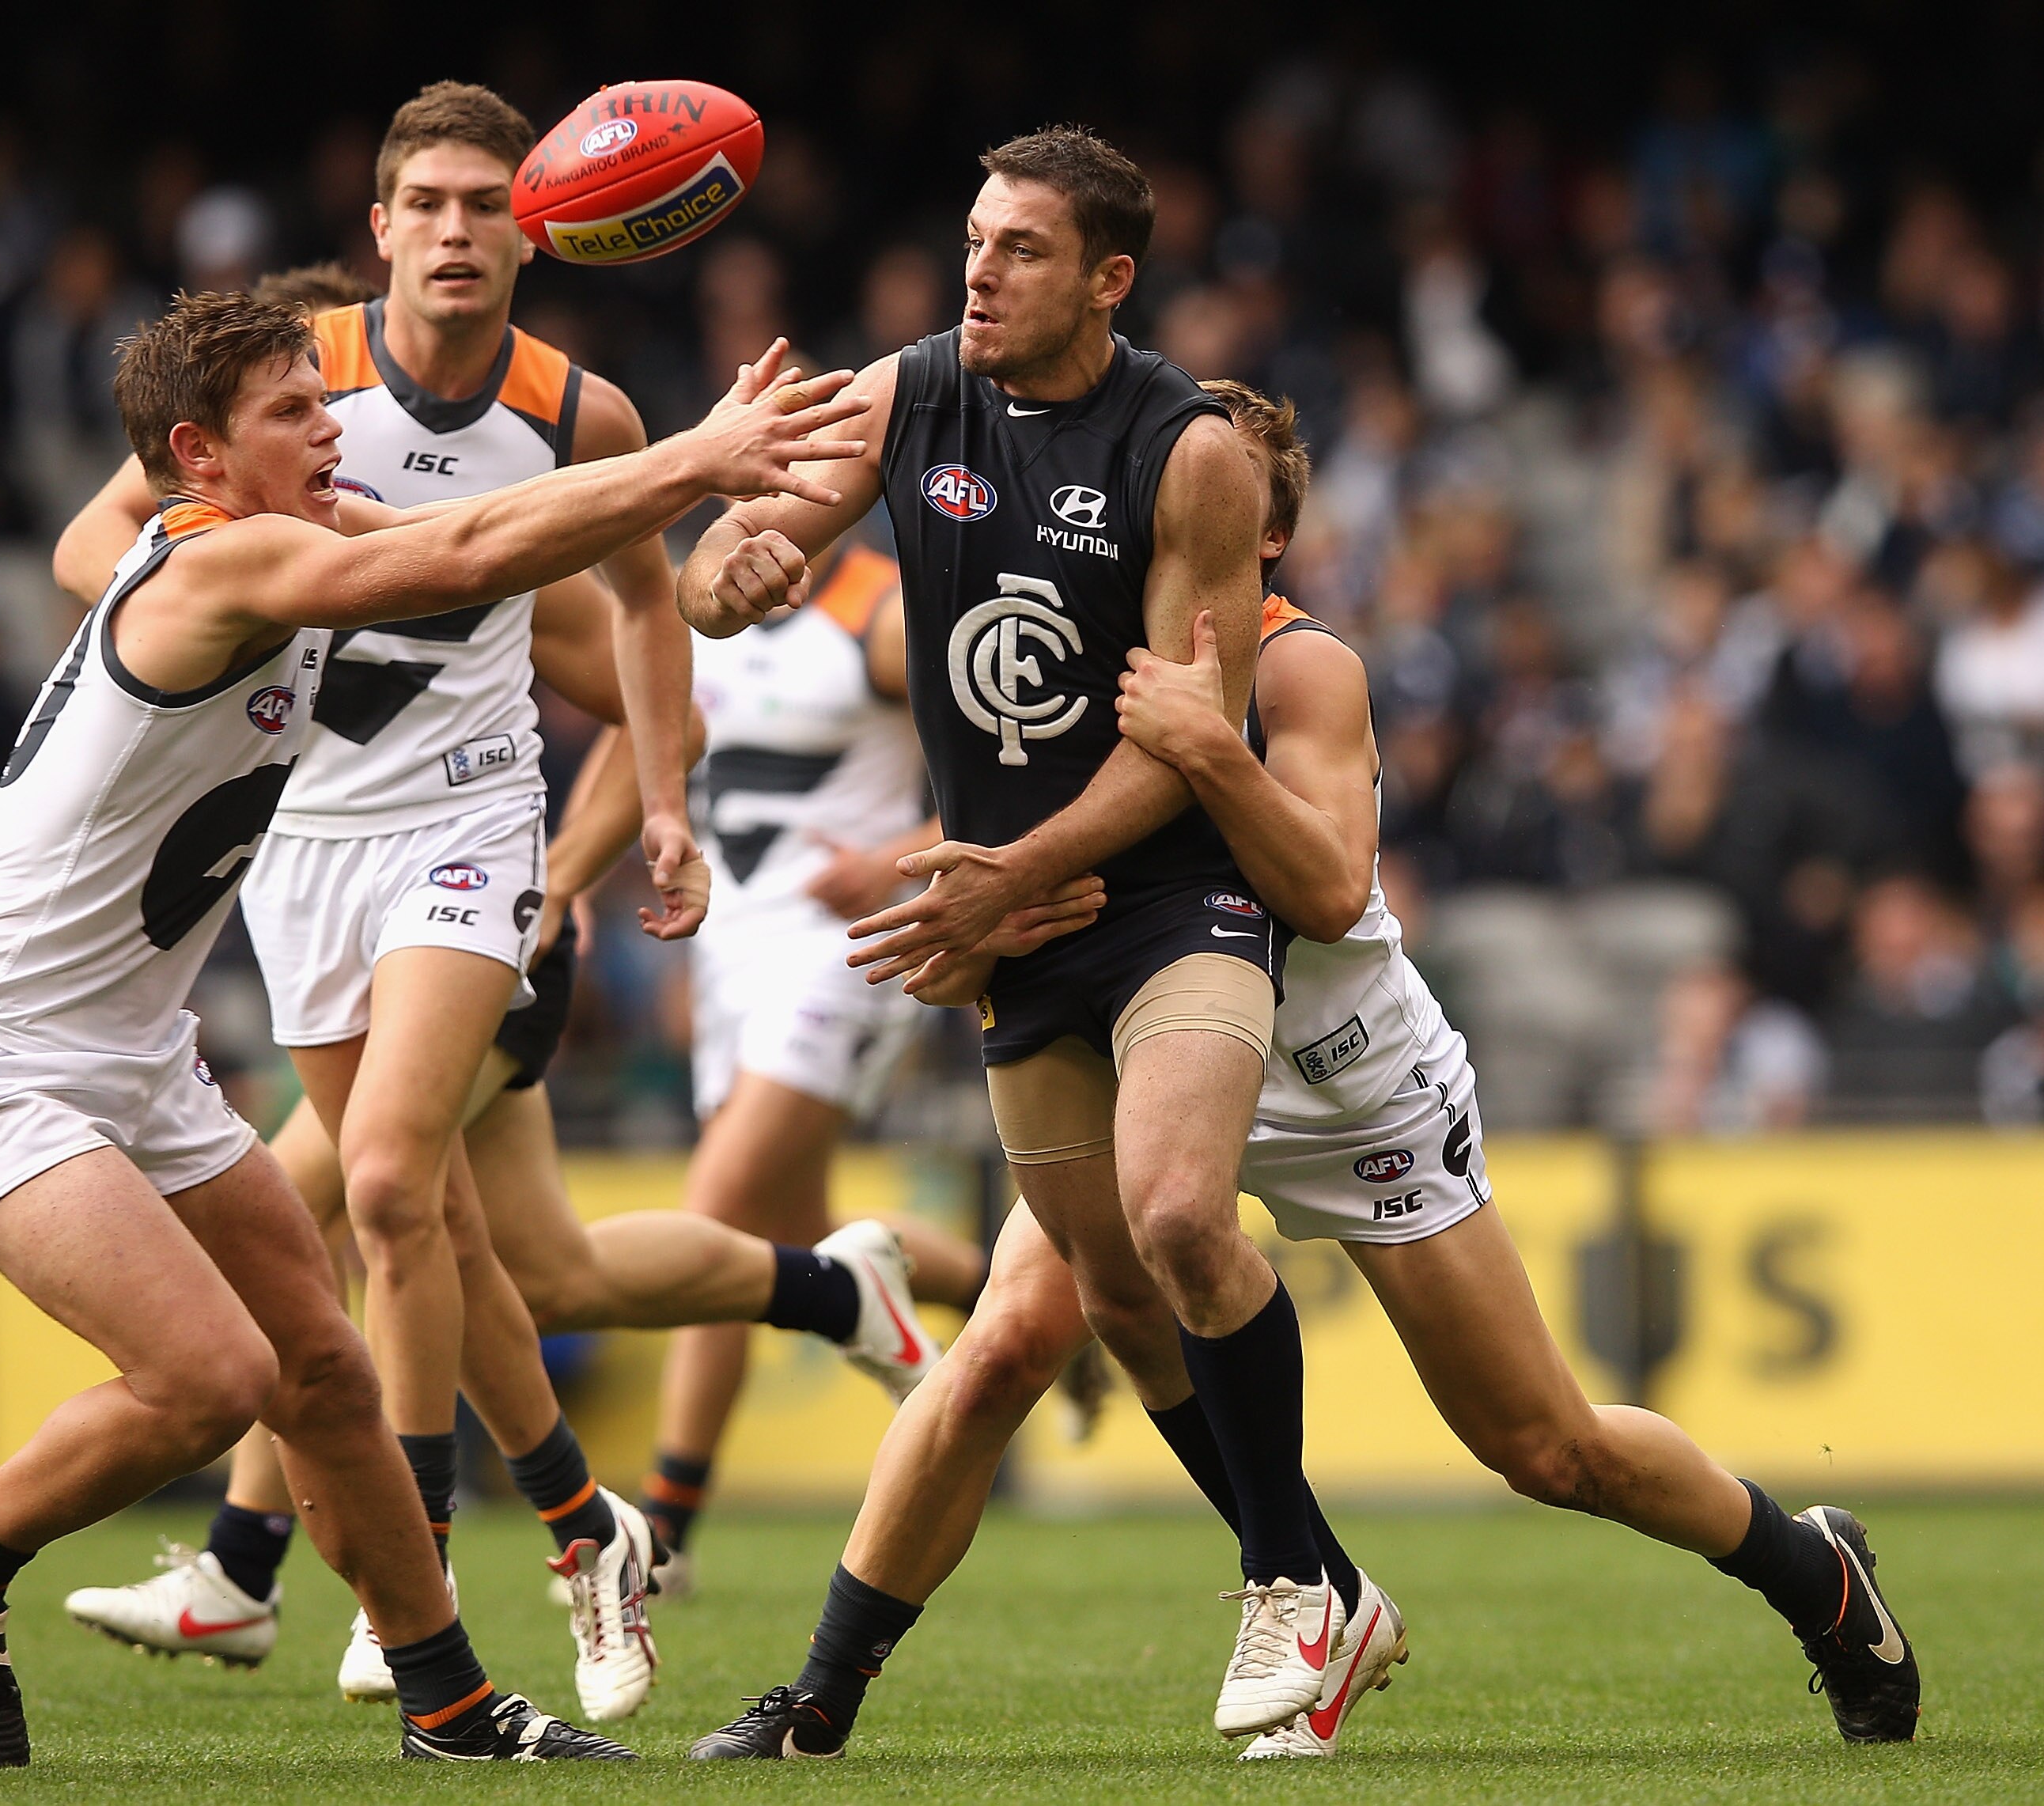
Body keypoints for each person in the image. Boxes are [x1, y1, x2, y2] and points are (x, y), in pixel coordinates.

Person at [688, 381, 1921, 1763]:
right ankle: (822, 1701)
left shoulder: (1302, 667)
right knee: (997, 1355)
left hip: (1341, 1078)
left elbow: (1332, 891)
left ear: (1258, 540)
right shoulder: (1073, 657)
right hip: (1160, 1060)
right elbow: (1023, 885)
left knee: (1544, 1447)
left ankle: (1812, 1576)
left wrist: (1211, 750)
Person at [0, 287, 866, 1768]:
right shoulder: (217, 566)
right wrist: (696, 457)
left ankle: (452, 1709)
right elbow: (462, 543)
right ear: (199, 457)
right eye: (293, 412)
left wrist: (714, 593)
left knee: (327, 1367)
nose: (334, 428)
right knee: (215, 1383)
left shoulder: (303, 546)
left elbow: (546, 597)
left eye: (323, 401)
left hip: (139, 1063)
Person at [679, 125, 1348, 1741]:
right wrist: (734, 566)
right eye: (975, 240)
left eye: (1023, 249)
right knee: (1113, 1296)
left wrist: (999, 869)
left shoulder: (1190, 452)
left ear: (1110, 278)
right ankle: (1315, 1567)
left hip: (1177, 895)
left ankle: (1294, 1587)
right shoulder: (915, 392)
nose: (980, 270)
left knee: (1180, 1216)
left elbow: (1182, 734)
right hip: (1014, 916)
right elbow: (722, 568)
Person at [639, 523, 990, 1587]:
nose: (762, 504)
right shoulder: (699, 605)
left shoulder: (885, 614)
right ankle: (1012, 1295)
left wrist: (895, 856)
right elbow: (666, 757)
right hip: (733, 945)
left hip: (847, 946)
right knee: (800, 1239)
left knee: (718, 1214)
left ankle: (661, 1537)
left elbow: (1012, 752)